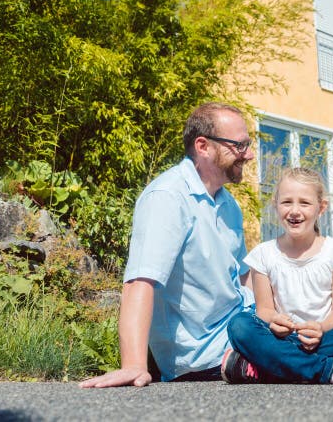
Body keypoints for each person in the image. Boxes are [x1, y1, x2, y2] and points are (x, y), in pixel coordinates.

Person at [80, 102, 258, 387]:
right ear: (203, 146)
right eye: (239, 145)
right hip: (206, 355)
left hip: (242, 330)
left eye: (248, 144)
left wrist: (271, 316)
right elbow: (140, 281)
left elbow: (244, 276)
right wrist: (134, 365)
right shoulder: (167, 198)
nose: (248, 155)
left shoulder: (228, 203)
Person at [222, 167, 333, 385]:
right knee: (239, 325)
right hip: (278, 338)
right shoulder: (262, 254)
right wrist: (274, 320)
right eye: (286, 202)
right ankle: (330, 370)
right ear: (275, 205)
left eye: (304, 203)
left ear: (321, 208)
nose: (294, 210)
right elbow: (264, 309)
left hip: (324, 337)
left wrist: (321, 328)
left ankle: (268, 369)